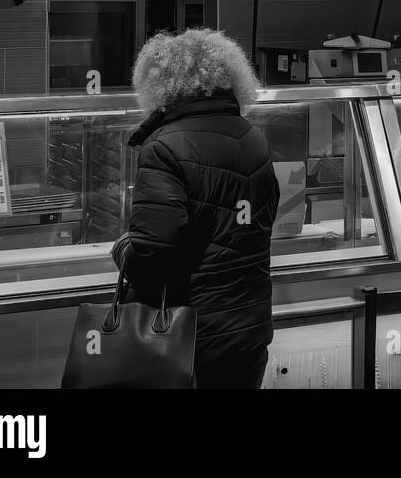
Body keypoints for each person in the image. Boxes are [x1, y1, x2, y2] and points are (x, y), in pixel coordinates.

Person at [113, 29, 279, 389]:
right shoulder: (253, 136)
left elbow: (154, 253)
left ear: (160, 83)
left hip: (188, 336)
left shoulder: (163, 147)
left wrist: (123, 249)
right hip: (248, 330)